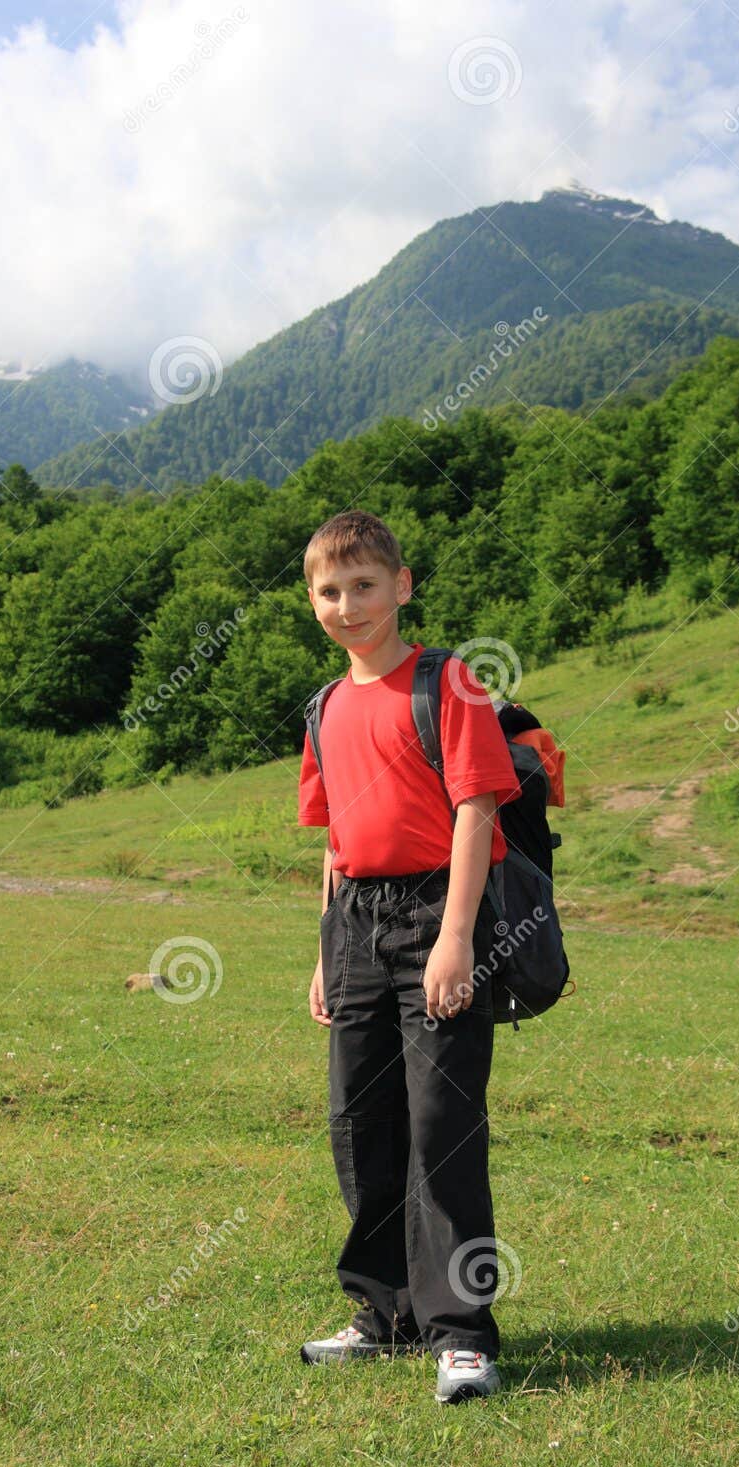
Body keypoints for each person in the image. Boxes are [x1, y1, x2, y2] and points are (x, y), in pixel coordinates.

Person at [297, 509, 520, 1404]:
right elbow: (334, 836)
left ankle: (462, 1336)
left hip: (437, 912)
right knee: (360, 1124)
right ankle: (380, 1314)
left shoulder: (447, 683)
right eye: (328, 591)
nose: (347, 605)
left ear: (402, 587)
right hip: (353, 923)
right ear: (310, 599)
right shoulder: (322, 707)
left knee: (442, 1130)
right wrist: (324, 951)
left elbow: (477, 808)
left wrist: (458, 937)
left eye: (363, 586)